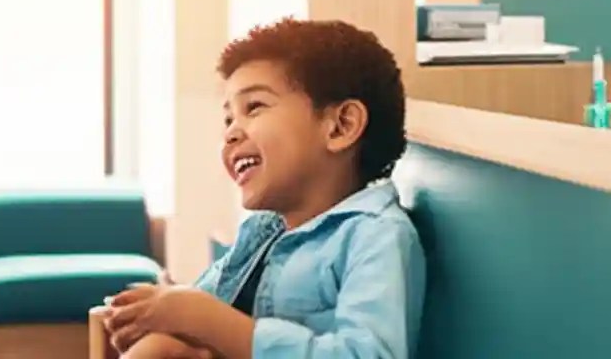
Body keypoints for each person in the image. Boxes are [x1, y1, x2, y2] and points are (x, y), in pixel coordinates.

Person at [100, 19, 426, 359]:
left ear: (341, 126)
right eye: (229, 119)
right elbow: (197, 310)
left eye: (254, 107)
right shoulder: (261, 231)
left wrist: (205, 319)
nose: (230, 133)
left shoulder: (375, 236)